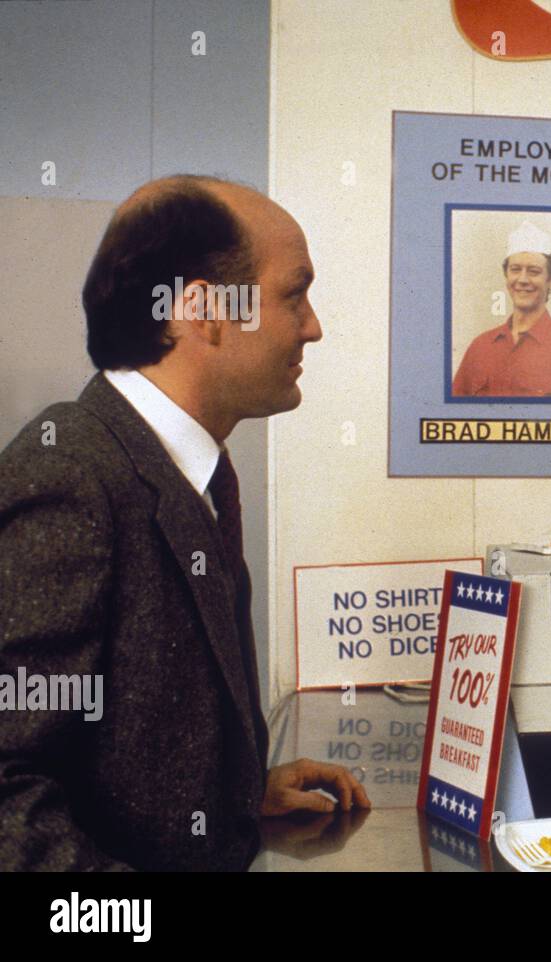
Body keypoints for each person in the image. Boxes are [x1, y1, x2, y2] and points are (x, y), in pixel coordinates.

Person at [0, 175, 369, 871]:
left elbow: (109, 754)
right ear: (203, 311)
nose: (313, 325)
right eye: (294, 294)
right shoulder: (70, 477)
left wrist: (234, 795)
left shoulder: (190, 473)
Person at [451, 220, 551, 398]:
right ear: (506, 276)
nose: (522, 279)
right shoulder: (480, 347)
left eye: (534, 271)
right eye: (515, 269)